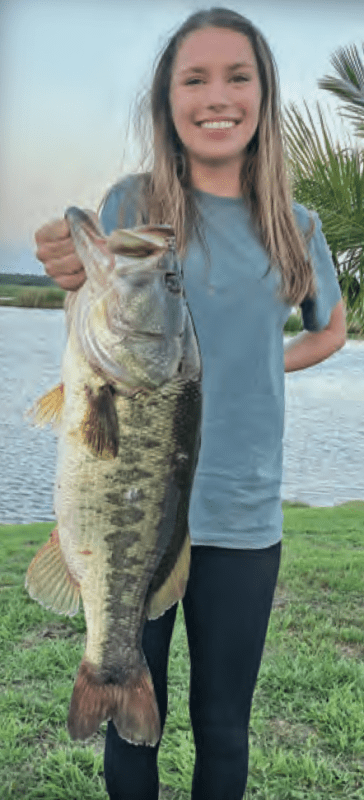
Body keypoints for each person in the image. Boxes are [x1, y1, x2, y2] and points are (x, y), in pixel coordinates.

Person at [35, 8, 346, 799]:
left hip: (243, 519)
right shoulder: (133, 203)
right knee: (133, 723)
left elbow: (333, 329)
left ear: (264, 95)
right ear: (167, 101)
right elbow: (89, 306)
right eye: (194, 78)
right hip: (129, 513)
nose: (218, 95)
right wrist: (67, 264)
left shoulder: (297, 225)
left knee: (223, 724)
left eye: (238, 76)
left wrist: (265, 364)